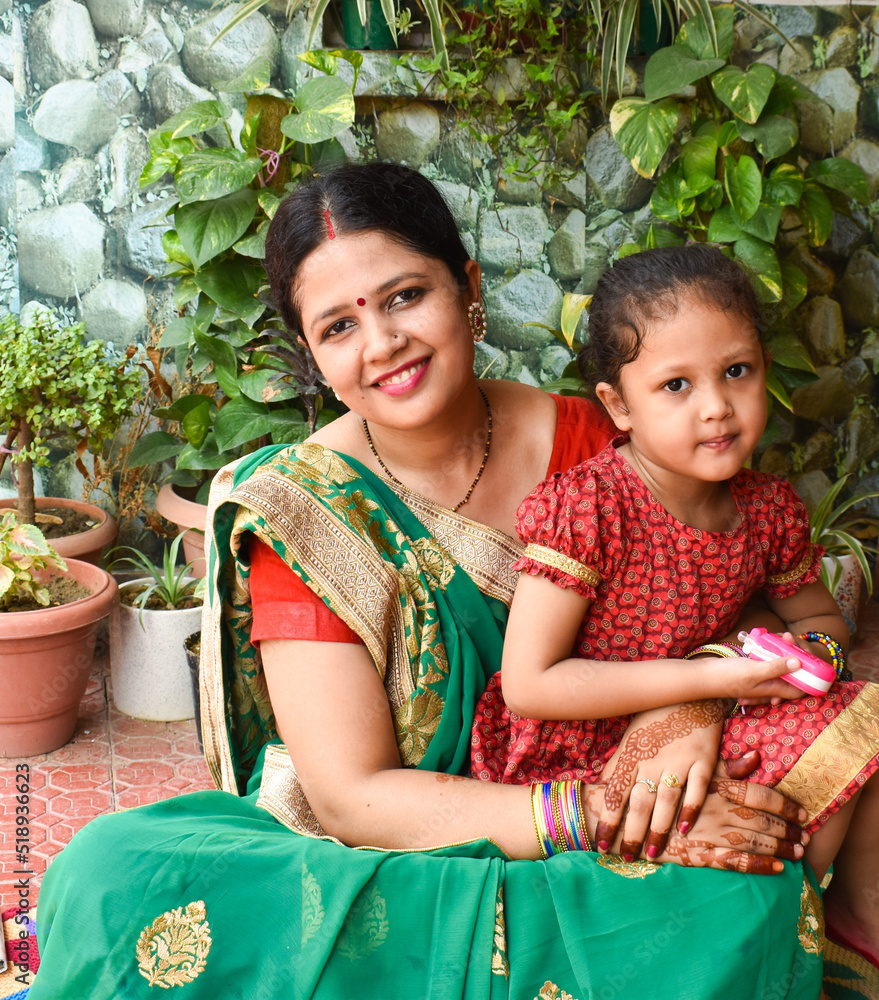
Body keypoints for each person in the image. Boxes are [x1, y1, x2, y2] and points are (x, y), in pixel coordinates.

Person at [33, 164, 826, 1000]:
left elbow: (753, 602)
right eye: (339, 326)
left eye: (405, 296)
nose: (382, 344)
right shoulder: (308, 513)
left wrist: (686, 712)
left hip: (623, 826)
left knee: (755, 889)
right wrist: (594, 813)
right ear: (312, 355)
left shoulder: (602, 443)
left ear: (468, 290)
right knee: (113, 877)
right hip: (406, 856)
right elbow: (355, 800)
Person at [470, 245, 879, 1000]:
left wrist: (804, 658)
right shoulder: (588, 508)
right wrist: (706, 680)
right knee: (757, 820)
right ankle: (759, 921)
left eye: (736, 371)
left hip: (708, 712)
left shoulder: (766, 507)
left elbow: (820, 617)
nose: (716, 406)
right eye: (675, 385)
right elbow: (531, 684)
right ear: (618, 406)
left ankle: (853, 908)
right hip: (576, 748)